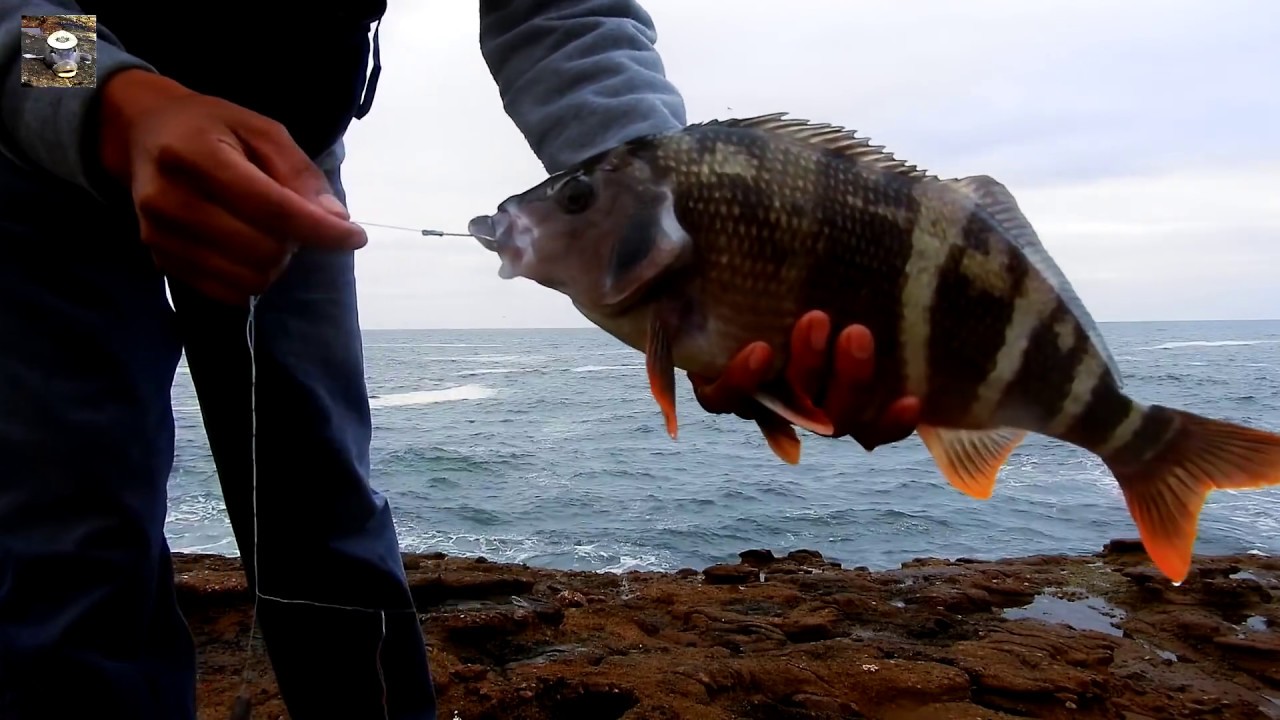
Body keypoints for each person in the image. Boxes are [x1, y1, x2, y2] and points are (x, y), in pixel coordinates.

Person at [0, 1, 920, 718]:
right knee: (71, 539)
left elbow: (558, 11)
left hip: (292, 160)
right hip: (41, 157)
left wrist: (638, 202)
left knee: (322, 509)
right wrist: (118, 104)